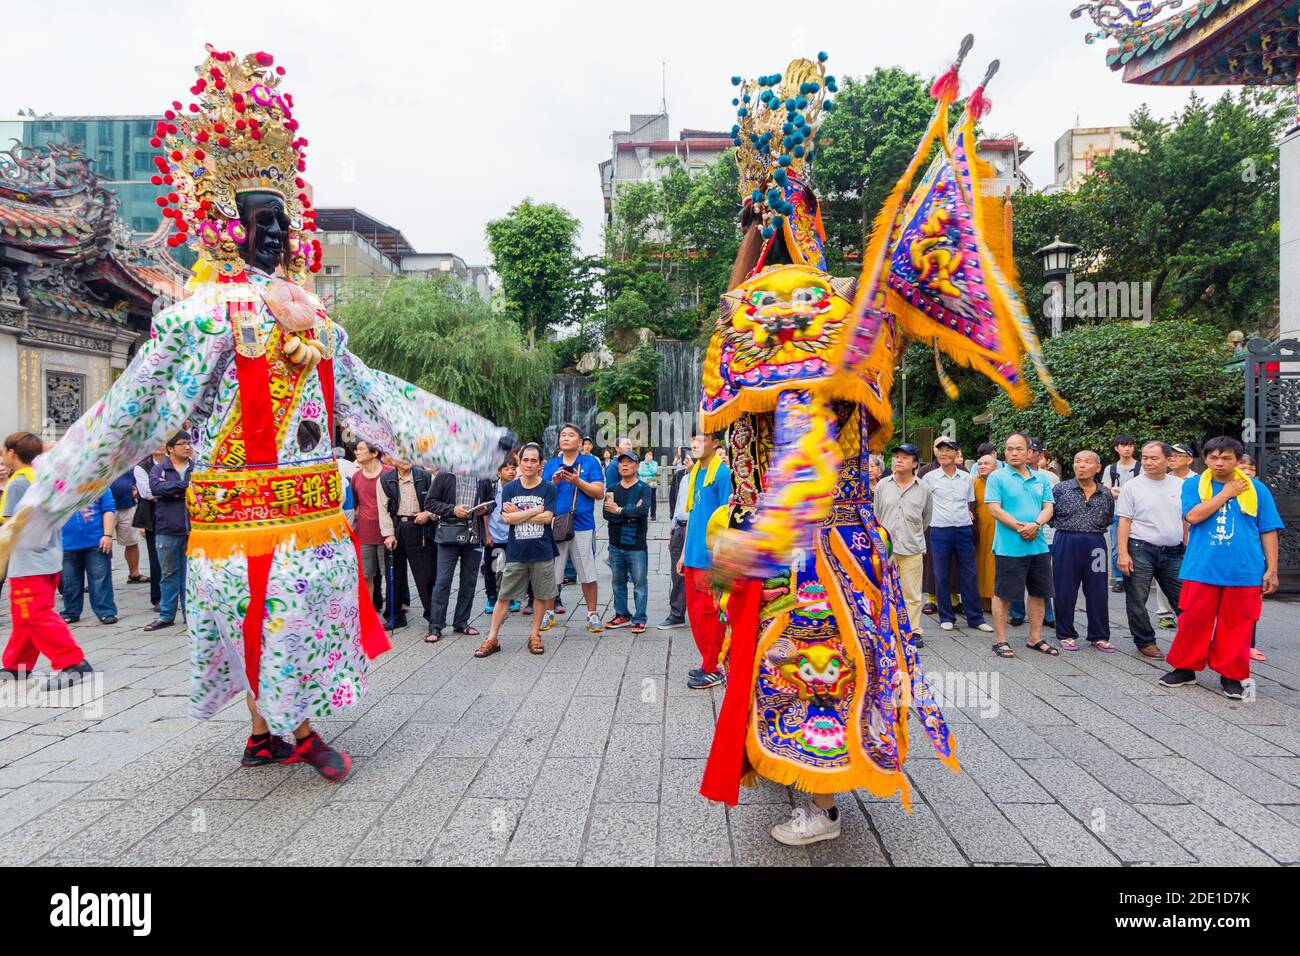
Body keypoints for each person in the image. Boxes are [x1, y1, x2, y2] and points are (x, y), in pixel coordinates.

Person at [0, 46, 513, 783]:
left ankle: (283, 728)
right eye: (258, 223)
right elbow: (135, 408)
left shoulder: (316, 320)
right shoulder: (202, 314)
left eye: (282, 222)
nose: (273, 236)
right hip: (234, 514)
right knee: (250, 630)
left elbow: (377, 401)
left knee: (297, 626)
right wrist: (58, 482)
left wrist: (473, 442)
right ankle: (285, 731)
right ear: (223, 226)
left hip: (306, 509)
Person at [1160, 437, 1283, 698]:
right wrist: (1226, 494)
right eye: (1213, 457)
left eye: (1226, 457)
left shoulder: (1257, 489)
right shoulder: (1194, 485)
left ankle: (1231, 674)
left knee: (1238, 625)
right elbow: (1193, 516)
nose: (1219, 463)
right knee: (1193, 619)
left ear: (1238, 460)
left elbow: (1268, 529)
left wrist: (1271, 569)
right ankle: (1185, 668)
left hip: (1245, 569)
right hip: (1202, 566)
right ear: (1204, 459)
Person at [1, 432, 93, 689]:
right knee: (23, 616)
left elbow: (12, 524)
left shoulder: (18, 482)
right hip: (47, 557)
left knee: (35, 615)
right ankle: (16, 667)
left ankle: (72, 663)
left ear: (12, 452)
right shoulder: (41, 476)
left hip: (30, 560)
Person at [476, 443, 556, 658]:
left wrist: (520, 512)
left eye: (534, 461)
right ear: (519, 462)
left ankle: (534, 635)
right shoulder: (511, 488)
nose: (529, 464)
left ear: (540, 464)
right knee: (504, 595)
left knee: (540, 594)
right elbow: (506, 518)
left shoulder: (549, 488)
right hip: (516, 551)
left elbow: (548, 518)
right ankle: (492, 638)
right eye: (525, 460)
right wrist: (535, 510)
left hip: (542, 550)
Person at [983, 433, 1058, 658]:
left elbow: (1049, 508)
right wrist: (1020, 527)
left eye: (1018, 449)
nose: (1013, 453)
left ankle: (1035, 637)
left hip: (1038, 546)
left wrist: (1035, 525)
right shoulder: (997, 477)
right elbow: (994, 508)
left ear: (1029, 453)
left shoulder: (1041, 479)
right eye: (1009, 449)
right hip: (1009, 546)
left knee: (1039, 592)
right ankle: (1001, 640)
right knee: (1003, 594)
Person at [1116, 441, 1186, 660]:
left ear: (1168, 460)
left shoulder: (1180, 485)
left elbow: (1186, 519)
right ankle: (1145, 641)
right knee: (1137, 598)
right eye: (1145, 457)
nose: (1147, 462)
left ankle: (1191, 640)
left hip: (1174, 551)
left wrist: (1188, 546)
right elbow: (1124, 521)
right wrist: (1123, 553)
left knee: (1184, 599)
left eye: (1153, 458)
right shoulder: (1132, 486)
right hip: (1140, 548)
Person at [678, 430, 732, 689]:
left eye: (700, 440)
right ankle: (707, 662)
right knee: (696, 614)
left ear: (715, 443)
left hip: (709, 558)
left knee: (710, 614)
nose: (695, 445)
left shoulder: (722, 475)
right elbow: (692, 515)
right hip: (692, 555)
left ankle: (714, 667)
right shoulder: (696, 472)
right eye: (692, 441)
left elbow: (726, 519)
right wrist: (682, 554)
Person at [921, 437, 991, 633]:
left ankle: (975, 617)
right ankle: (946, 615)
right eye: (940, 450)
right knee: (941, 574)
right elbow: (924, 504)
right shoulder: (929, 477)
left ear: (956, 453)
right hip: (939, 529)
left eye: (948, 450)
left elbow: (969, 502)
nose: (943, 453)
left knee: (969, 573)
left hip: (963, 529)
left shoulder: (966, 477)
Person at [542, 423, 606, 633]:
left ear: (580, 442)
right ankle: (549, 613)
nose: (566, 438)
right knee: (553, 573)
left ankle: (592, 614)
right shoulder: (552, 464)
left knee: (587, 571)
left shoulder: (590, 463)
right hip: (556, 524)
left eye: (571, 435)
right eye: (563, 435)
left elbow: (598, 492)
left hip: (582, 524)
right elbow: (542, 494)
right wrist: (553, 481)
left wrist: (577, 481)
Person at [1051, 451, 1115, 651]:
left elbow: (1109, 518)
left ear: (1098, 467)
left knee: (1098, 590)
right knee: (1064, 589)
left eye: (1087, 462)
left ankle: (1099, 635)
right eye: (1077, 461)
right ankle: (1066, 634)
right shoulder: (1060, 489)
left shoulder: (1105, 493)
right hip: (1066, 540)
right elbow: (1050, 515)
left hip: (1096, 543)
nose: (1081, 465)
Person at [424, 465, 494, 642]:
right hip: (448, 533)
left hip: (474, 534)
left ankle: (461, 622)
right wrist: (453, 509)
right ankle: (436, 625)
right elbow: (430, 503)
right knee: (443, 581)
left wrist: (483, 509)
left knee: (469, 581)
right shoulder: (444, 475)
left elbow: (491, 502)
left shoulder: (483, 476)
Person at [873, 443, 932, 646]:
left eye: (905, 457)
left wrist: (912, 534)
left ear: (915, 463)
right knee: (884, 589)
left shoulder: (923, 488)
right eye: (897, 456)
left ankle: (913, 630)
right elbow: (877, 515)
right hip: (886, 548)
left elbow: (926, 518)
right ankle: (887, 626)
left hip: (912, 546)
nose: (898, 460)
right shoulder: (882, 485)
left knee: (912, 593)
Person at [377, 456, 435, 635]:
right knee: (394, 575)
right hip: (397, 527)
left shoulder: (425, 477)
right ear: (391, 460)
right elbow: (383, 509)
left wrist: (428, 513)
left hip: (420, 528)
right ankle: (395, 616)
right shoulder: (385, 480)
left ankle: (434, 617)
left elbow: (437, 503)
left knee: (426, 575)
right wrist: (388, 534)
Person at [143, 432, 192, 632]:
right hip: (167, 528)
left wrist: (172, 489)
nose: (188, 447)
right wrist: (184, 487)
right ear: (170, 448)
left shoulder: (197, 467)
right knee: (169, 573)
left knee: (190, 575)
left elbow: (201, 488)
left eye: (189, 443)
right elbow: (155, 488)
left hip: (193, 529)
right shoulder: (159, 468)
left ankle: (190, 615)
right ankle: (166, 615)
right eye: (182, 444)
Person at [1010, 437, 1058, 628]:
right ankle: (1017, 612)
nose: (1029, 455)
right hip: (1015, 533)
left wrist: (1037, 524)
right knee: (1015, 578)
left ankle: (1047, 614)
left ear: (1039, 455)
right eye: (1026, 450)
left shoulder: (1049, 478)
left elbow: (1052, 505)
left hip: (1044, 535)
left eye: (1033, 451)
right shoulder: (1005, 476)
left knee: (1042, 579)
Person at [604, 451, 652, 632]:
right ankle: (621, 614)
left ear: (636, 467)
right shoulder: (612, 489)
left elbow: (642, 512)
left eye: (629, 462)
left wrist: (619, 510)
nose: (624, 465)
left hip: (636, 545)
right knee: (618, 583)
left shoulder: (643, 488)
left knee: (640, 583)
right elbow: (606, 514)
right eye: (621, 462)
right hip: (615, 544)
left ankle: (640, 618)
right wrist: (628, 512)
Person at [59, 486, 119, 626]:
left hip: (96, 541)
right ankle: (71, 611)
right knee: (69, 581)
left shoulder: (99, 484)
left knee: (100, 578)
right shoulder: (57, 488)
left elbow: (108, 509)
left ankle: (106, 611)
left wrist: (107, 535)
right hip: (66, 543)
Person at [350, 440, 389, 617]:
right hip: (364, 533)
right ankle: (368, 612)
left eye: (361, 449)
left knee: (389, 574)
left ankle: (393, 612)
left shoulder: (389, 474)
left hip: (386, 532)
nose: (356, 452)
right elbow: (356, 505)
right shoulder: (356, 477)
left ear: (374, 453)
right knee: (366, 575)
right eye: (356, 449)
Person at [482, 457, 521, 614]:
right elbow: (484, 513)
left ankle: (510, 596)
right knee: (491, 569)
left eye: (513, 468)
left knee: (511, 568)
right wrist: (487, 535)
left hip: (511, 535)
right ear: (498, 473)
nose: (511, 472)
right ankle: (491, 596)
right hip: (494, 535)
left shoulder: (517, 489)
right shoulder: (491, 489)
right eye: (507, 469)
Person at [1102, 434, 1141, 593]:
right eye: (1123, 446)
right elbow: (1106, 490)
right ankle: (1119, 579)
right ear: (1117, 448)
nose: (1127, 449)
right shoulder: (1111, 468)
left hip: (1138, 513)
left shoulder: (1141, 467)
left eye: (1130, 445)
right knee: (1117, 547)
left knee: (1139, 546)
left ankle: (1136, 577)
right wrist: (1114, 492)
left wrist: (1120, 491)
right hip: (1118, 513)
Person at [132, 446, 166, 611]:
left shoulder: (175, 462)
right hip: (153, 517)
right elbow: (146, 492)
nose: (160, 445)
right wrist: (173, 491)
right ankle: (158, 597)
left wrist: (165, 489)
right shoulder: (141, 466)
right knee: (156, 558)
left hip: (176, 515)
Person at [658, 454, 690, 631]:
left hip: (697, 527)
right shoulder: (683, 476)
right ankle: (677, 614)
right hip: (679, 526)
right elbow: (678, 503)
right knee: (676, 573)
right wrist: (672, 526)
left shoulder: (709, 477)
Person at [973, 452, 998, 613]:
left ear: (995, 467)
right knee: (980, 565)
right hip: (980, 531)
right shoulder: (974, 483)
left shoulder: (1001, 484)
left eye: (986, 464)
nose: (982, 467)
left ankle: (997, 600)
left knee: (995, 566)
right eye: (980, 464)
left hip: (998, 531)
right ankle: (982, 601)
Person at [108, 469, 144, 584]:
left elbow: (137, 479)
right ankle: (100, 578)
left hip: (127, 503)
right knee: (103, 542)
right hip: (105, 508)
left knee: (132, 541)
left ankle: (134, 574)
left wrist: (136, 488)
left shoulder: (128, 460)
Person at [638, 450, 659, 522]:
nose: (649, 456)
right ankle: (644, 514)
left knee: (653, 500)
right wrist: (649, 474)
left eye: (651, 455)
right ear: (645, 456)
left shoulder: (654, 463)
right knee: (643, 500)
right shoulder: (642, 463)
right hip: (644, 484)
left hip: (652, 484)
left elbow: (654, 471)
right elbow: (641, 473)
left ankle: (653, 515)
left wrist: (649, 464)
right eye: (648, 455)